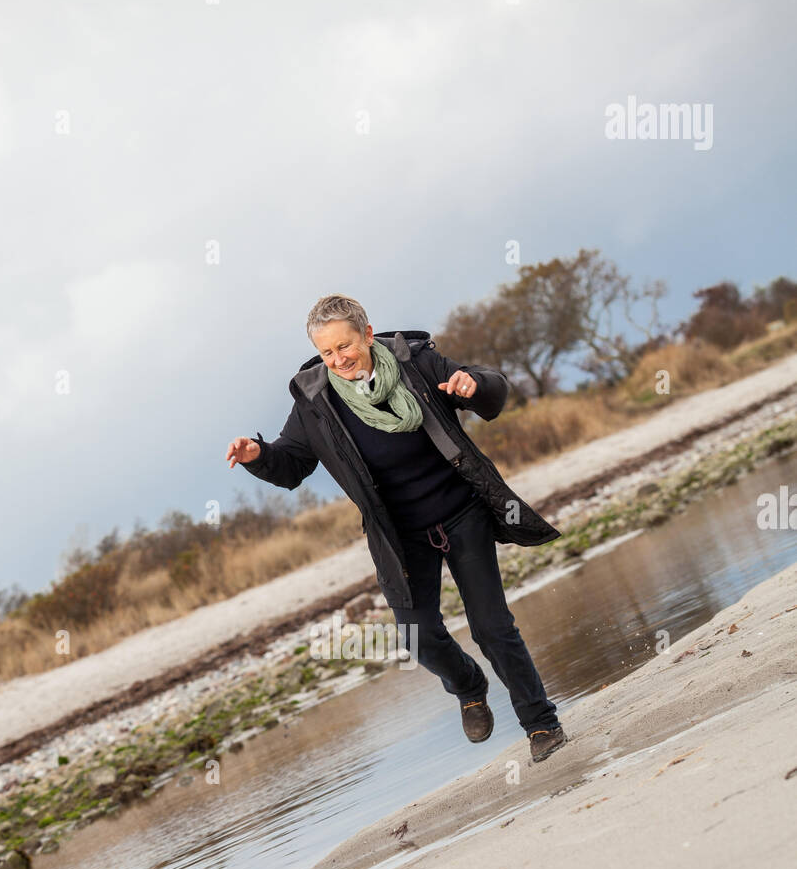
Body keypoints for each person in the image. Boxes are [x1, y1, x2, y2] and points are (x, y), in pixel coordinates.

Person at [226, 294, 566, 762]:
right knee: (417, 636)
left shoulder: (416, 362)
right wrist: (257, 456)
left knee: (493, 628)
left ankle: (541, 724)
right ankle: (469, 686)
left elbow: (493, 396)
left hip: (462, 512)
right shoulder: (315, 402)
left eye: (345, 346)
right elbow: (291, 467)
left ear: (367, 334)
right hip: (399, 535)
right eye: (327, 352)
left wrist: (476, 384)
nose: (338, 359)